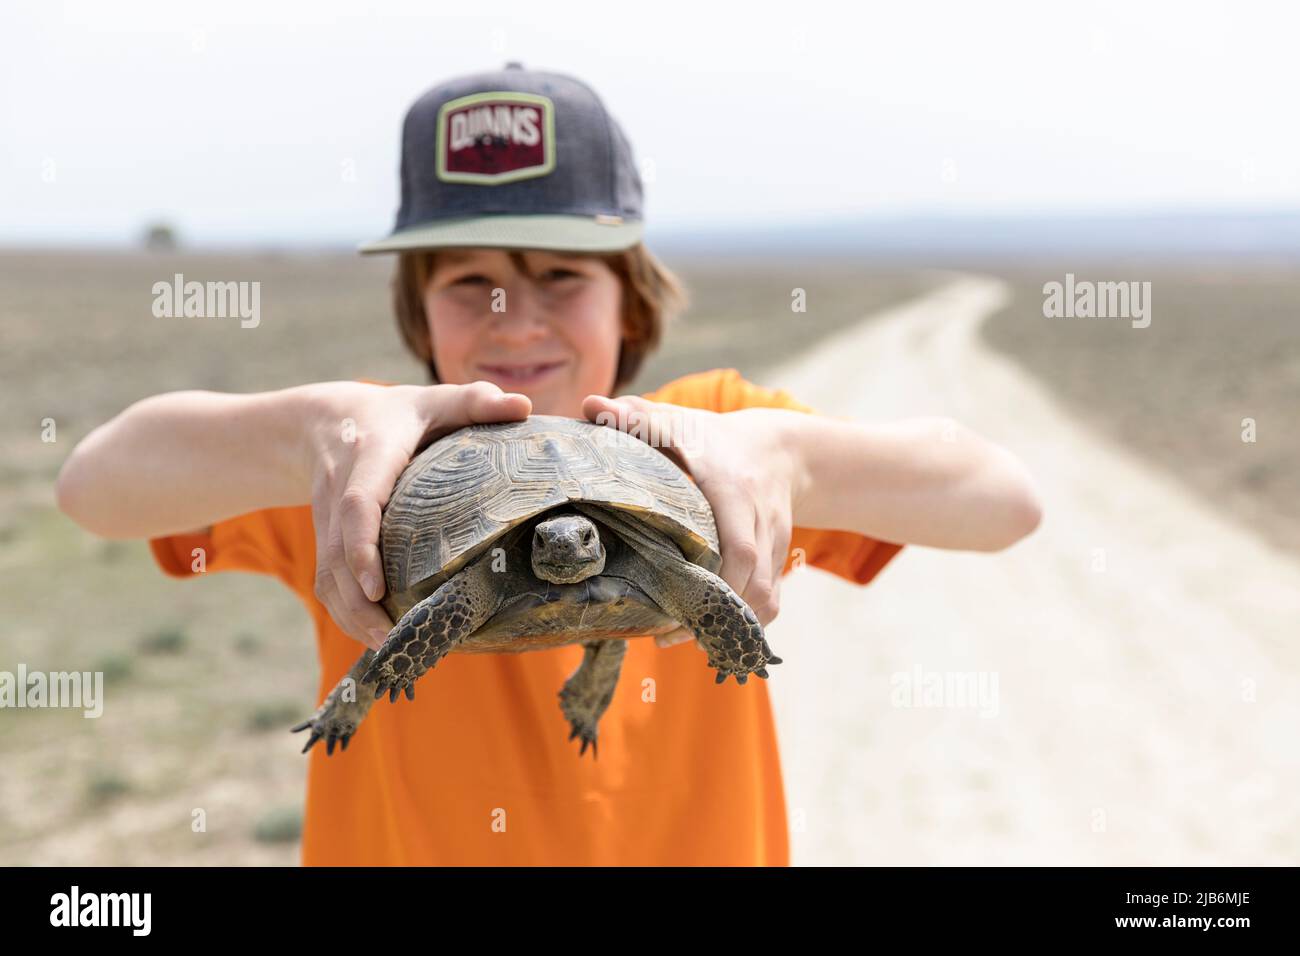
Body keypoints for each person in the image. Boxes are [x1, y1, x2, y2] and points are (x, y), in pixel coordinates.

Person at [56, 63, 1043, 865]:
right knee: (453, 595)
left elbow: (1004, 501)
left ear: (633, 300)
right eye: (470, 282)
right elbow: (94, 485)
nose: (513, 320)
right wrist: (310, 429)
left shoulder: (707, 446)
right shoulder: (372, 475)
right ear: (415, 308)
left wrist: (785, 452)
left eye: (560, 276)